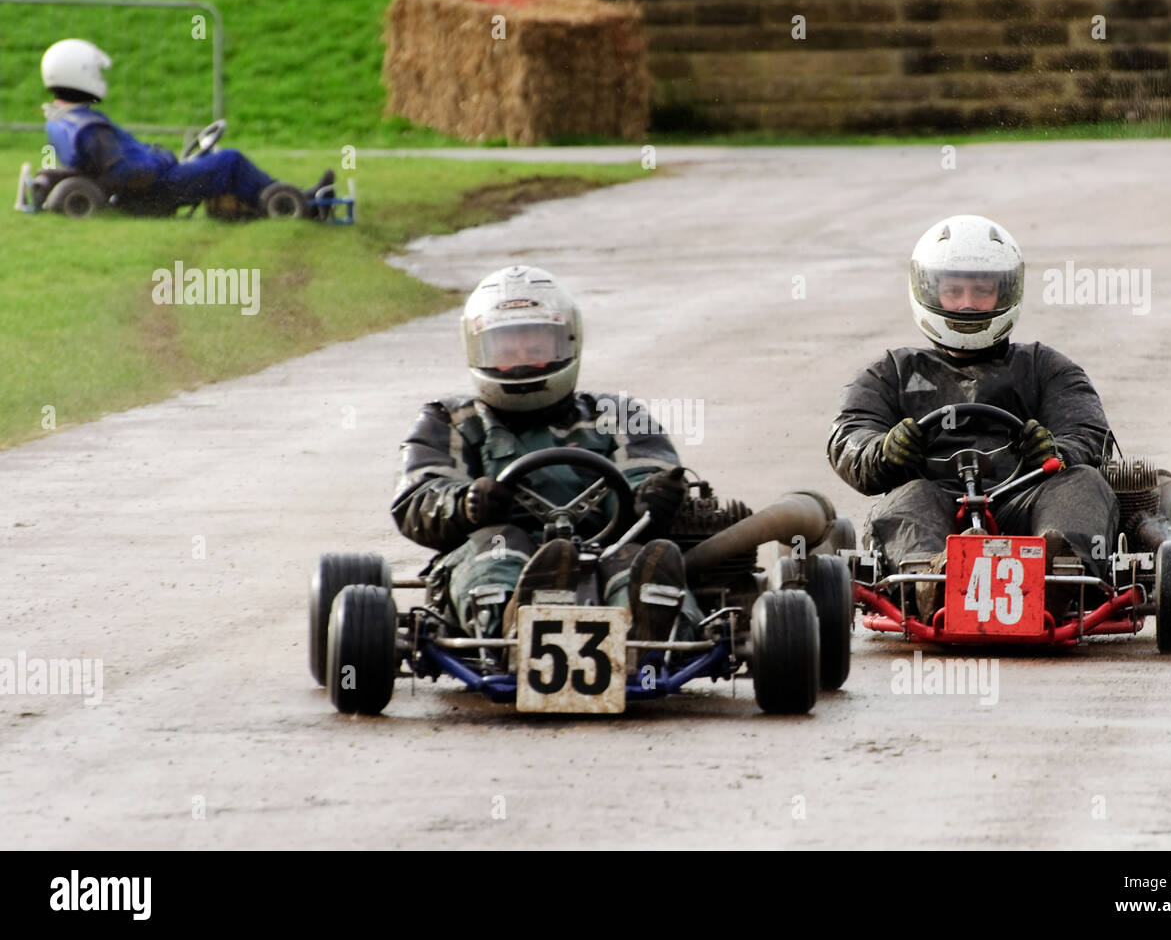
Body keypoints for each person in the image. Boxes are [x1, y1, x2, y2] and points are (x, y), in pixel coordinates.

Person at [827, 214, 1120, 622]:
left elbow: (1088, 431)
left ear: (1006, 292)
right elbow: (849, 434)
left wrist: (1057, 451)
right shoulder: (893, 372)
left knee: (1083, 482)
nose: (967, 303)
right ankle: (933, 582)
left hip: (1025, 498)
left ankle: (1056, 578)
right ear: (928, 291)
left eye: (982, 291)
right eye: (954, 290)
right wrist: (883, 452)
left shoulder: (1045, 367)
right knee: (907, 498)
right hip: (933, 505)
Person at [391, 264, 699, 651]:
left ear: (568, 343)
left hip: (606, 547)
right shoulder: (449, 419)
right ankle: (511, 626)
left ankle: (644, 636)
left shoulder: (617, 414)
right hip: (492, 551)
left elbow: (650, 468)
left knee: (637, 560)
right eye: (507, 349)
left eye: (536, 348)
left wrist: (651, 495)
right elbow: (417, 496)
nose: (522, 359)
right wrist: (466, 504)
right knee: (500, 544)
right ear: (479, 349)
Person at [39, 38, 333, 217]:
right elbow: (131, 173)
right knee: (229, 160)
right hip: (159, 187)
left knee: (212, 159)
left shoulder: (64, 120)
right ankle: (302, 204)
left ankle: (255, 206)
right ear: (79, 75)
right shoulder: (90, 129)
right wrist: (163, 158)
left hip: (152, 182)